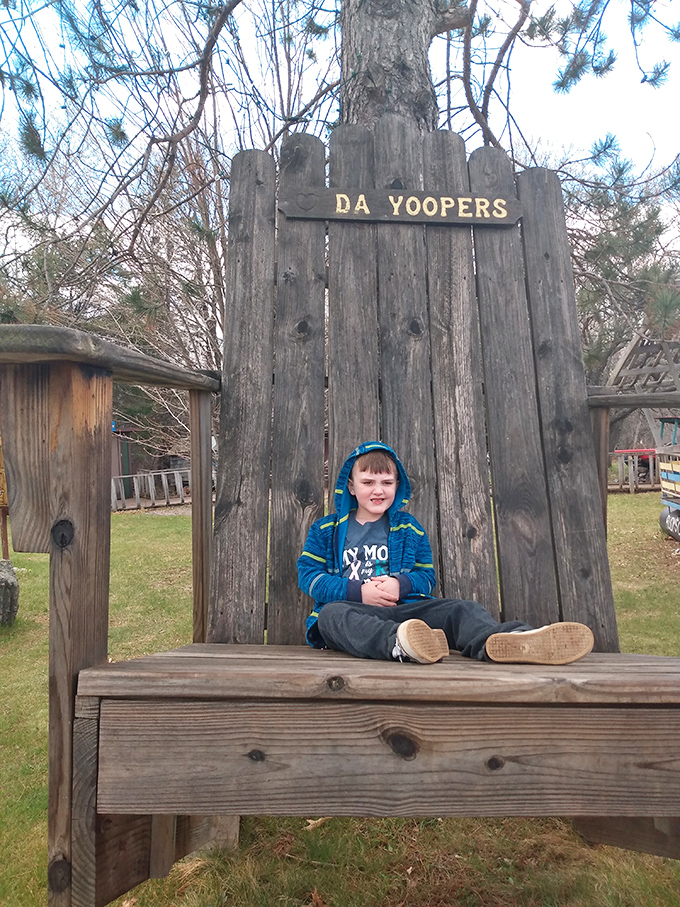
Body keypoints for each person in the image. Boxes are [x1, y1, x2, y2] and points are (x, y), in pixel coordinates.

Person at [297, 441, 594, 665]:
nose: (378, 490)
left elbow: (425, 576)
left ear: (397, 486)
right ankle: (400, 644)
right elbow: (309, 577)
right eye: (368, 482)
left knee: (461, 609)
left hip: (407, 612)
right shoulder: (327, 529)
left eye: (387, 483)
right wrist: (357, 592)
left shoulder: (408, 528)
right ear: (350, 485)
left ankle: (505, 641)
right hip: (358, 611)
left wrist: (401, 584)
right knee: (331, 616)